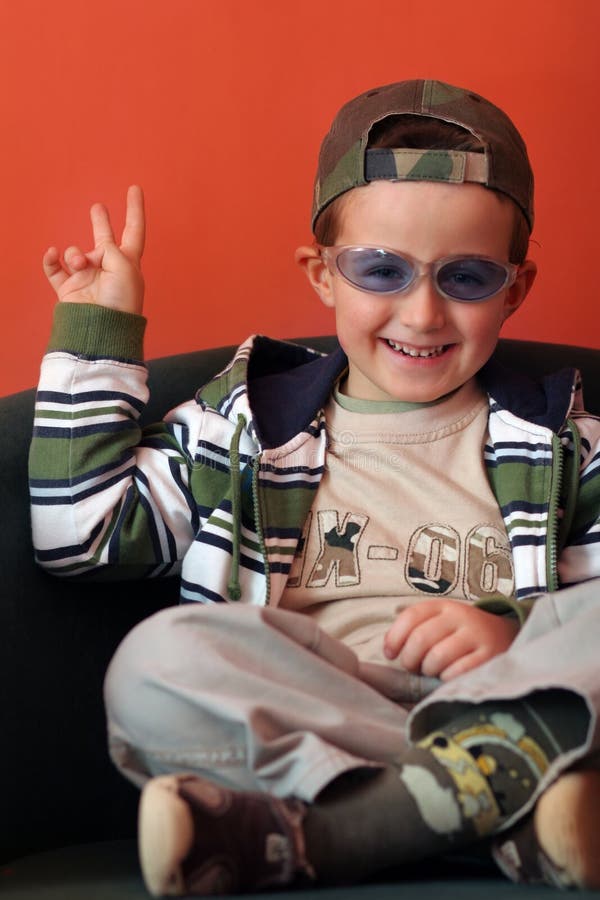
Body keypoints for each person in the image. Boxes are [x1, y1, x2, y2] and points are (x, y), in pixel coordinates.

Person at [30, 79, 600, 896]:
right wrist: (100, 332)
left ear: (515, 288)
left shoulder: (566, 444)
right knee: (153, 665)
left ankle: (338, 833)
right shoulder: (242, 425)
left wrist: (513, 634)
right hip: (327, 714)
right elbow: (78, 538)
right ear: (322, 274)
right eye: (381, 270)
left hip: (504, 699)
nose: (423, 313)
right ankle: (495, 810)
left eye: (468, 278)